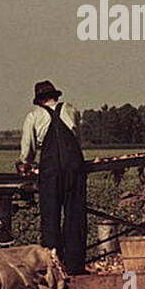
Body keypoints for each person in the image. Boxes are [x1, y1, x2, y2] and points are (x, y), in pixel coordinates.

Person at [18, 80, 87, 275]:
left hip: (51, 170)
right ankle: (75, 266)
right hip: (74, 166)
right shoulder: (72, 110)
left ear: (39, 101)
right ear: (55, 97)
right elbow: (77, 140)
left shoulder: (34, 116)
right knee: (75, 214)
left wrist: (24, 162)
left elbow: (28, 147)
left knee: (50, 216)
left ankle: (53, 267)